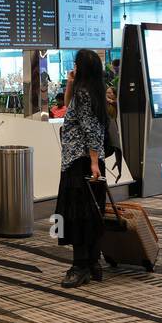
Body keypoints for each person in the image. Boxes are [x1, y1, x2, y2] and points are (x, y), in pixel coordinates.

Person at [53, 49, 107, 288]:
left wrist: (93, 161)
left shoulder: (85, 94)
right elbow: (69, 108)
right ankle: (93, 263)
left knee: (78, 215)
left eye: (76, 64)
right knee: (92, 213)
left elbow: (91, 129)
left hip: (81, 162)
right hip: (85, 161)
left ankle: (80, 266)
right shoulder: (90, 91)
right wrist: (70, 83)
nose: (73, 66)